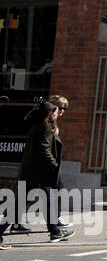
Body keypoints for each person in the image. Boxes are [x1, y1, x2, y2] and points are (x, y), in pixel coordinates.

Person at [0, 98, 72, 248]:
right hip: (38, 174)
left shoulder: (37, 126)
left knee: (47, 202)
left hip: (34, 173)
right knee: (22, 205)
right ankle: (54, 231)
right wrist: (53, 164)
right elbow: (44, 150)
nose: (58, 113)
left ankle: (55, 232)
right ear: (49, 113)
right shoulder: (44, 127)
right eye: (56, 111)